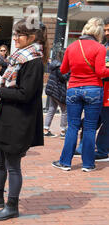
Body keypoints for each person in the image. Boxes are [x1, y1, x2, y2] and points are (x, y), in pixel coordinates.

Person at [0, 18, 48, 221]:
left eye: (19, 35)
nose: (15, 38)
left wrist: (0, 89)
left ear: (31, 37)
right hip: (7, 115)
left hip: (19, 119)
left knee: (13, 164)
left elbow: (26, 94)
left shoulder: (33, 61)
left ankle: (12, 205)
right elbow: (13, 88)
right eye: (15, 34)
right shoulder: (18, 57)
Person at [52, 17, 109, 172]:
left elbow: (63, 70)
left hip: (74, 89)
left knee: (72, 127)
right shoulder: (100, 48)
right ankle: (88, 164)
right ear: (98, 33)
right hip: (93, 89)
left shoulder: (72, 47)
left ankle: (65, 162)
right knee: (90, 128)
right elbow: (100, 72)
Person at [44, 49, 69, 138]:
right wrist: (70, 71)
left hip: (52, 90)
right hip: (57, 90)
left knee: (51, 109)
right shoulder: (60, 66)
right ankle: (63, 131)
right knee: (65, 110)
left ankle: (45, 129)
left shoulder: (54, 64)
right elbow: (63, 78)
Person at [94, 17, 109, 162]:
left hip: (107, 90)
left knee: (106, 121)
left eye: (108, 30)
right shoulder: (104, 45)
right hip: (101, 90)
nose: (106, 32)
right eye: (105, 30)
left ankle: (103, 149)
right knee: (94, 120)